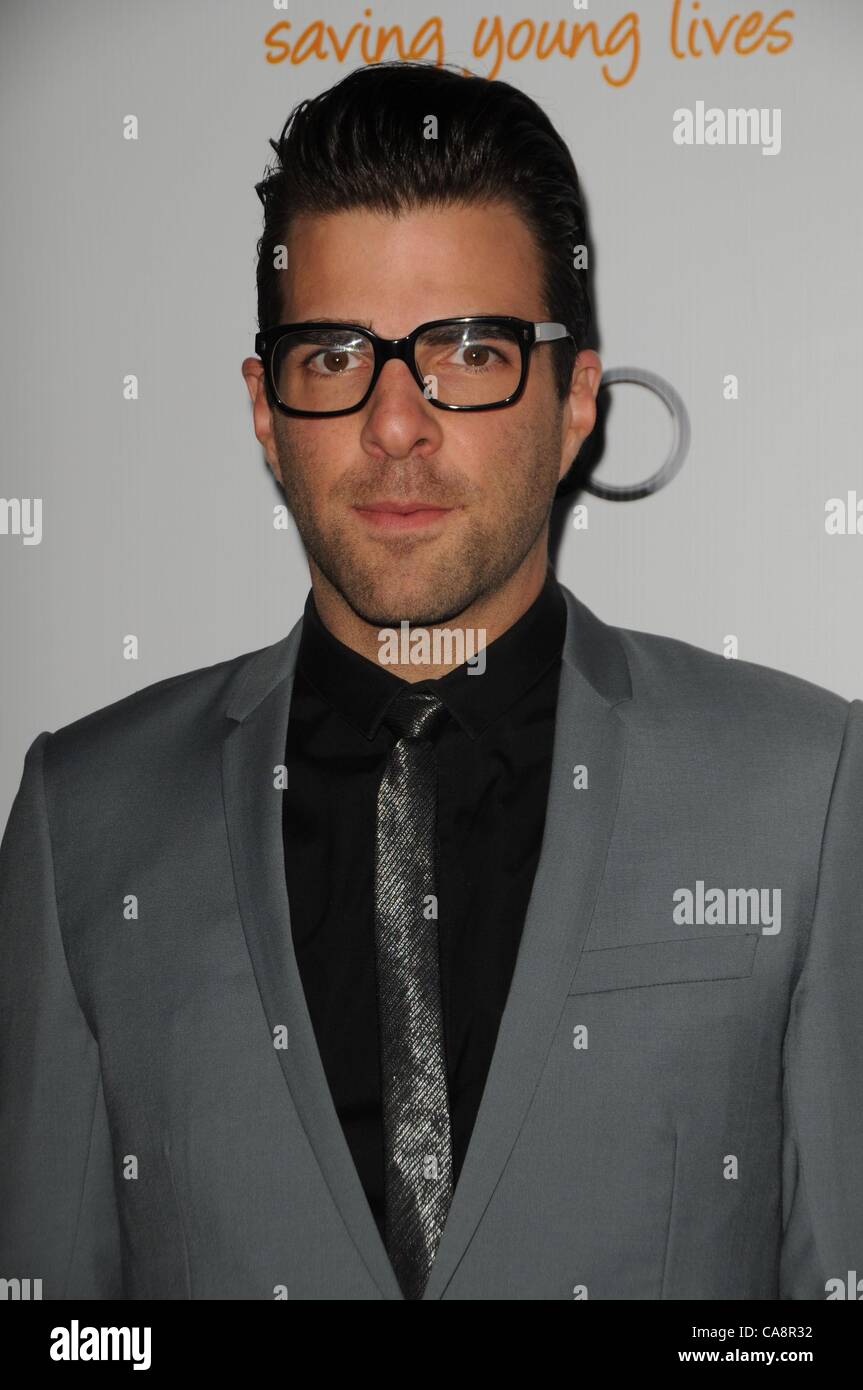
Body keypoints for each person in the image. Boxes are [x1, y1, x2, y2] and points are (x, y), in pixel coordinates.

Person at [1, 60, 861, 1302]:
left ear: (574, 401)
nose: (395, 420)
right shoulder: (83, 816)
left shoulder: (802, 795)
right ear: (265, 408)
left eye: (466, 348)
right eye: (335, 351)